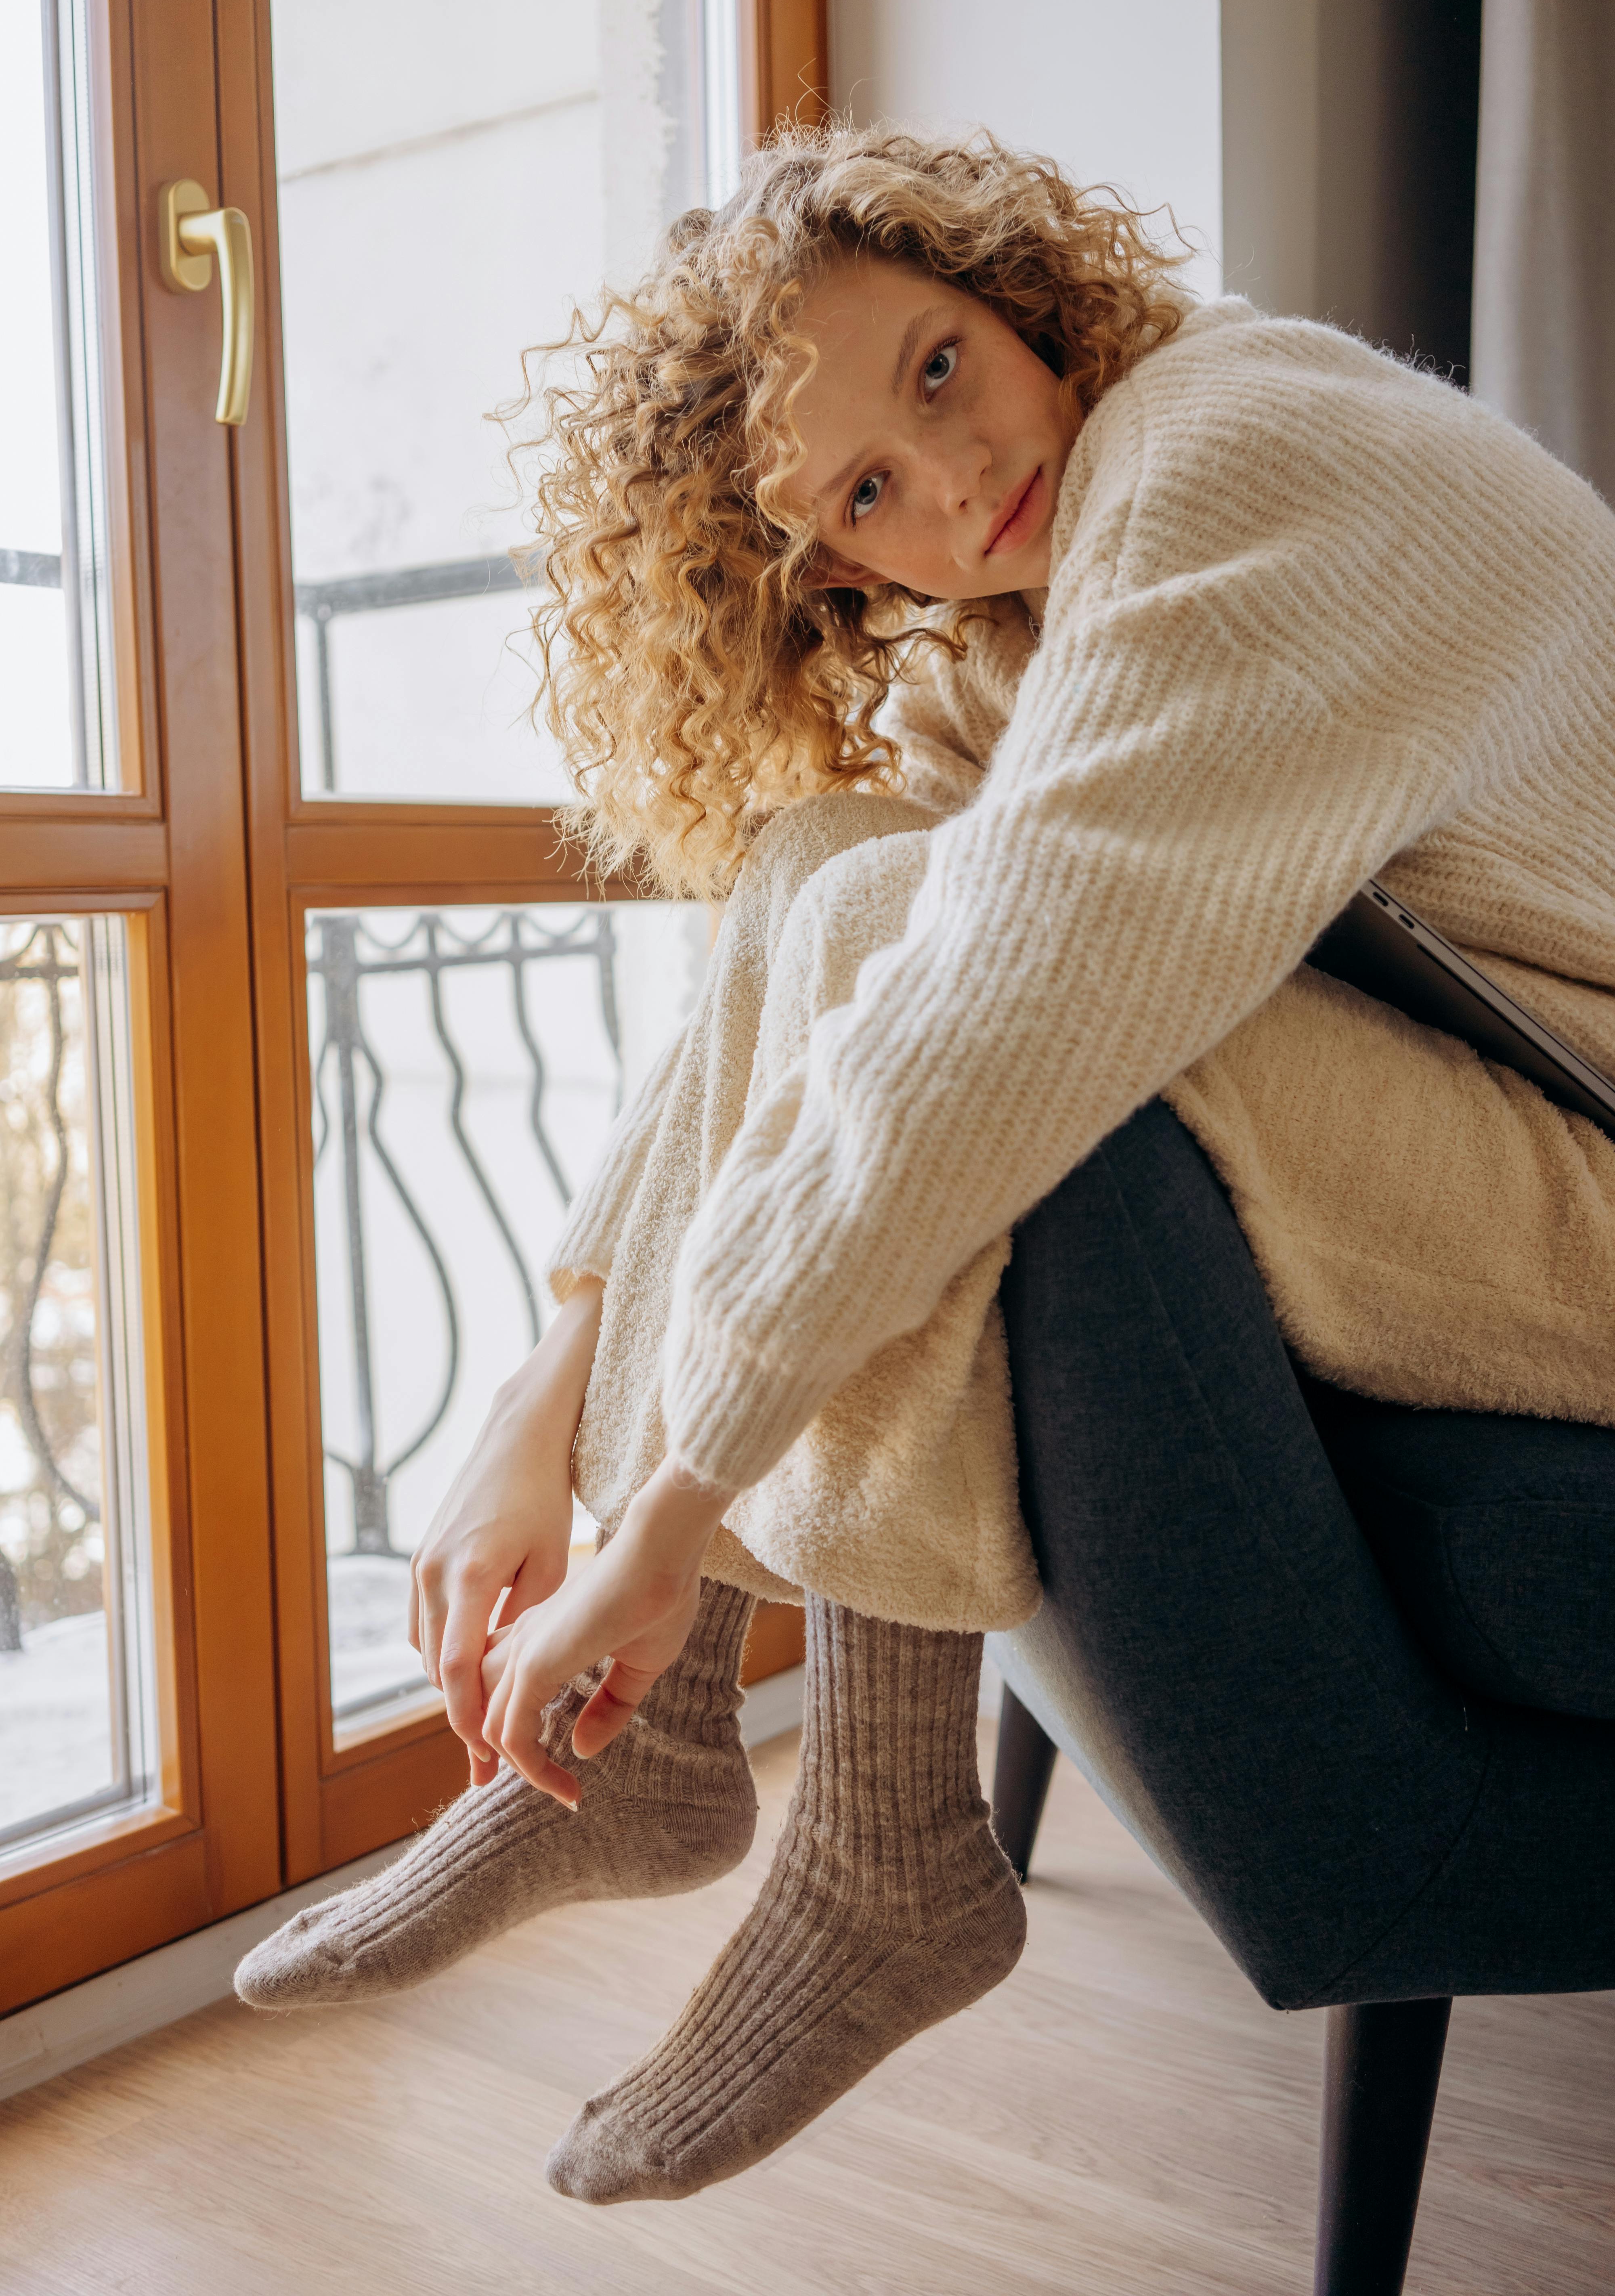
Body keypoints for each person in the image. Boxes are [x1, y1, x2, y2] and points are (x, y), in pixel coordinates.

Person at [235, 124, 1615, 2204]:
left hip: (1592, 1177)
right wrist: (548, 1399)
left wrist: (670, 1513)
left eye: (940, 370)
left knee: (928, 943)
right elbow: (795, 947)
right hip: (1514, 1123)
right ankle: (677, 1750)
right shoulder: (1019, 633)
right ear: (833, 574)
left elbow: (997, 1007)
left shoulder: (1236, 454)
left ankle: (881, 1836)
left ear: (1007, 288)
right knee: (833, 861)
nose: (955, 486)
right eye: (868, 494)